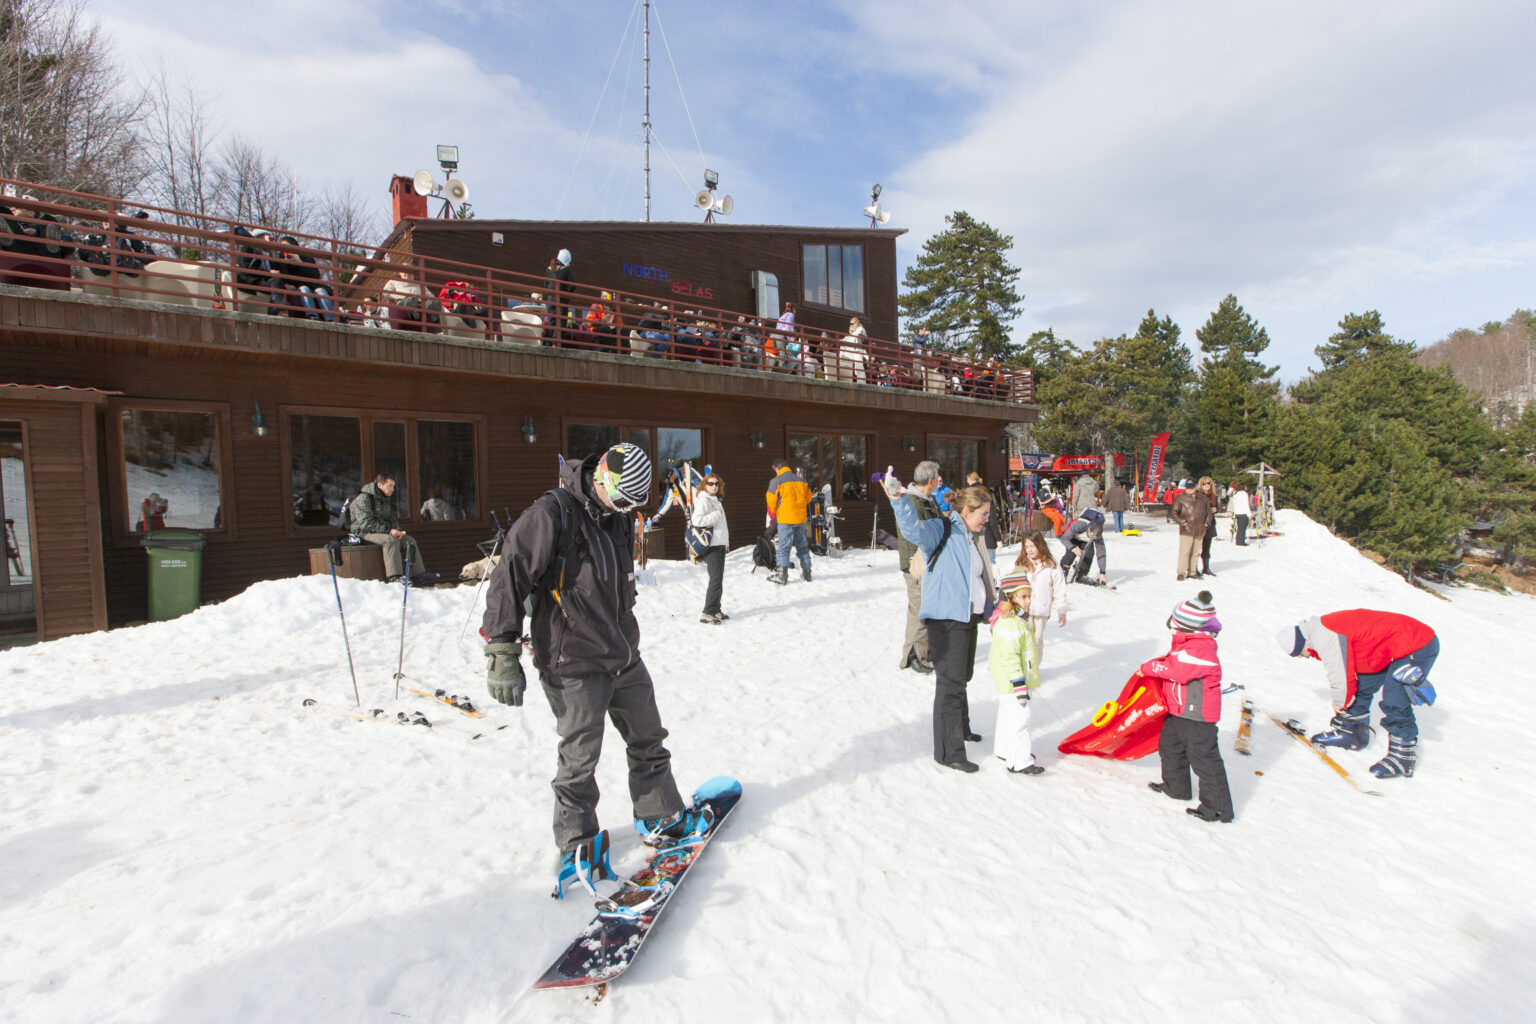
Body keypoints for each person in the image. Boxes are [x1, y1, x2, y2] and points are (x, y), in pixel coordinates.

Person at [479, 443, 708, 896]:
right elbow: (509, 576)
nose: (626, 510)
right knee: (579, 761)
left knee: (648, 738)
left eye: (633, 506)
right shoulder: (551, 515)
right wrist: (502, 649)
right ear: (601, 476)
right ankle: (576, 847)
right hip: (573, 662)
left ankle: (659, 815)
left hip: (623, 653)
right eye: (622, 500)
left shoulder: (617, 515)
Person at [886, 476, 997, 773]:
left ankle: (962, 728)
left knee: (962, 676)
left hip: (967, 616)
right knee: (949, 682)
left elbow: (976, 578)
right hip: (946, 618)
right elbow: (913, 530)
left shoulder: (972, 538)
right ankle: (949, 752)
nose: (987, 519)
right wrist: (898, 501)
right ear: (967, 510)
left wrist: (991, 607)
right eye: (983, 514)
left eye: (988, 513)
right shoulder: (943, 527)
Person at [1275, 609, 1440, 779]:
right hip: (1392, 645)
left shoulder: (1324, 637)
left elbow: (1340, 674)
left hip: (1417, 643)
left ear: (1302, 644)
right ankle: (1353, 733)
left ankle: (1403, 757)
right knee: (1361, 683)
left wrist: (1339, 702)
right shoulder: (1320, 629)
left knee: (1395, 697)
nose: (1306, 657)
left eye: (1301, 655)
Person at [1144, 592, 1233, 823]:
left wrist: (1149, 667)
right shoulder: (1189, 643)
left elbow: (1177, 671)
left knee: (1204, 758)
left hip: (1199, 716)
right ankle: (1176, 787)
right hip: (1180, 711)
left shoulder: (1203, 648)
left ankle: (1216, 808)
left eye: (1177, 627)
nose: (1174, 631)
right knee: (1170, 747)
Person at [987, 570, 1044, 775]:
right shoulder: (1010, 623)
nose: (1028, 601)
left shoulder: (1017, 618)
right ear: (1011, 596)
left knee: (1007, 714)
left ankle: (1005, 749)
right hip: (1012, 681)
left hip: (1008, 681)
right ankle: (1020, 760)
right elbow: (1010, 657)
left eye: (1029, 596)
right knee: (1021, 717)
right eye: (1024, 597)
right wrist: (1019, 684)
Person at [896, 461, 944, 674]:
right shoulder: (913, 501)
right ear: (930, 480)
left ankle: (926, 651)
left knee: (927, 608)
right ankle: (915, 656)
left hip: (928, 562)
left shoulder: (927, 499)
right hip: (916, 564)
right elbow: (916, 533)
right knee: (919, 610)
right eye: (938, 476)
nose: (940, 479)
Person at [350, 474, 426, 581]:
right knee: (390, 540)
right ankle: (395, 576)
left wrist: (397, 530)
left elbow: (391, 519)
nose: (392, 489)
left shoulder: (384, 499)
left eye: (393, 486)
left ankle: (417, 575)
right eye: (389, 486)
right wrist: (389, 531)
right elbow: (366, 524)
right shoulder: (364, 498)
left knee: (409, 540)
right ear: (380, 485)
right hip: (363, 533)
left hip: (381, 531)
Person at [1015, 531, 1068, 665]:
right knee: (1024, 638)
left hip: (1041, 609)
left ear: (1040, 545)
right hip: (1023, 609)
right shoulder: (1022, 563)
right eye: (1026, 547)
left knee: (1037, 639)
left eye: (1032, 546)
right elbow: (1010, 580)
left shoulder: (1051, 565)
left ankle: (1034, 667)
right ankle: (1022, 665)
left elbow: (1059, 588)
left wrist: (1061, 609)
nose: (1029, 550)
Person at [765, 459, 814, 584]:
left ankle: (782, 575)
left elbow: (770, 501)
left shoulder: (776, 481)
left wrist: (778, 510)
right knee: (802, 546)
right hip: (800, 518)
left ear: (777, 468)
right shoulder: (801, 480)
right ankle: (807, 573)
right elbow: (808, 497)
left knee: (784, 547)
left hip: (785, 519)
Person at [690, 472, 730, 623]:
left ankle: (716, 609)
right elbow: (697, 521)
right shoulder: (703, 500)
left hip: (719, 543)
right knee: (715, 578)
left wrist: (726, 542)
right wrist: (715, 515)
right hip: (711, 544)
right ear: (704, 485)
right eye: (711, 484)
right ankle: (707, 612)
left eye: (716, 484)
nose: (714, 486)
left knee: (718, 578)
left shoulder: (715, 499)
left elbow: (721, 525)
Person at [1169, 480, 1209, 581]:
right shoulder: (1181, 497)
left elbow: (1209, 512)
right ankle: (1181, 572)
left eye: (1191, 487)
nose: (1189, 489)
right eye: (1188, 487)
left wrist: (1206, 524)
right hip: (1187, 529)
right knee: (1184, 552)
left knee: (1195, 552)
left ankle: (1192, 572)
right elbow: (1174, 512)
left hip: (1200, 529)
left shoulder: (1203, 498)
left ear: (1196, 487)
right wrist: (1182, 522)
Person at [1058, 508, 1108, 586]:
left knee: (1089, 553)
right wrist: (1074, 549)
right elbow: (1064, 538)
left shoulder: (1098, 536)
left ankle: (1082, 574)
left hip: (1085, 541)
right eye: (1090, 536)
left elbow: (1101, 553)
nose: (1091, 538)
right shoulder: (1079, 525)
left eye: (1093, 538)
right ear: (1088, 530)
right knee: (1070, 554)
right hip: (1073, 538)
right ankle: (1063, 572)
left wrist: (1102, 573)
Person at [967, 472, 1000, 565]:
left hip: (974, 536)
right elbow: (992, 521)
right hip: (987, 536)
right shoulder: (987, 504)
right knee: (990, 562)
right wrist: (998, 538)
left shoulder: (970, 497)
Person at [1195, 477, 1220, 576]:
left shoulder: (1213, 495)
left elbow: (1217, 507)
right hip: (1199, 523)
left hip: (1210, 523)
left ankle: (1206, 568)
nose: (1206, 485)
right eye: (1204, 483)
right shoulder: (1198, 495)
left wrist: (1215, 509)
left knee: (1207, 547)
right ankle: (1194, 568)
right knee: (1196, 547)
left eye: (1208, 483)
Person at [1228, 481, 1251, 546]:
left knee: (1239, 527)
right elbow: (1245, 505)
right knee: (1242, 528)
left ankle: (1239, 540)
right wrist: (1249, 514)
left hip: (1237, 513)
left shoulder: (1236, 494)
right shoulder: (1244, 494)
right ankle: (1241, 541)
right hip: (1243, 513)